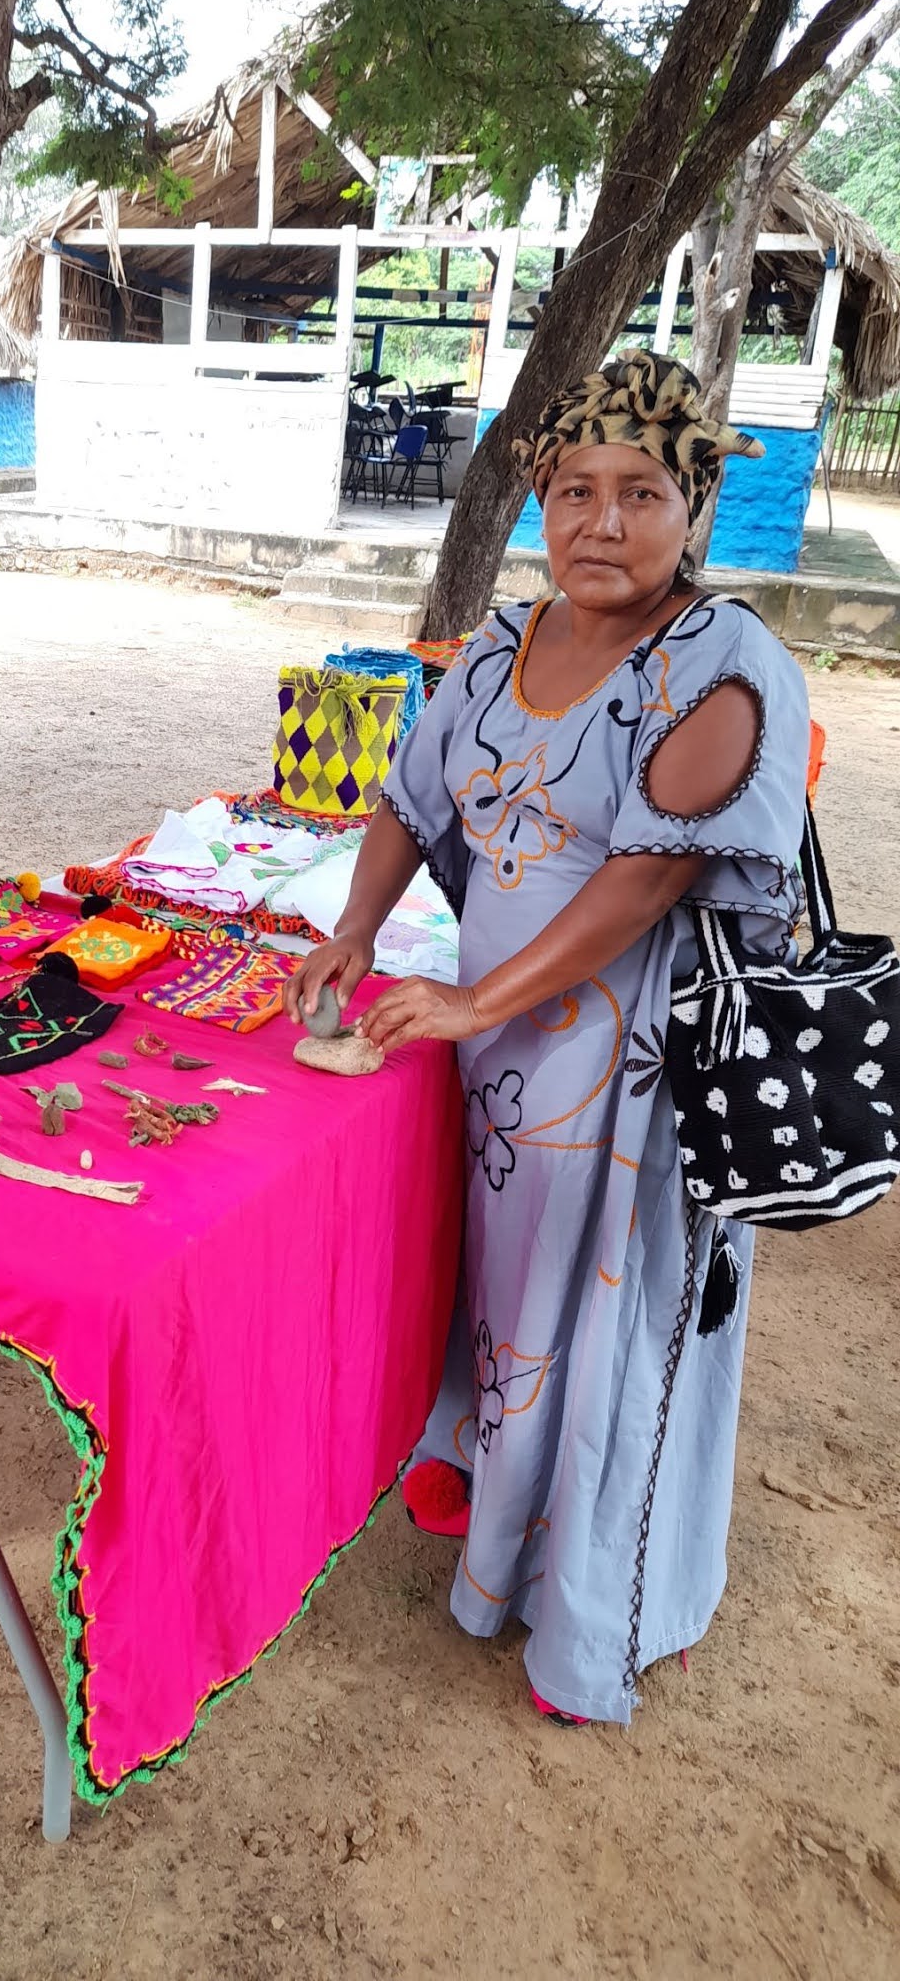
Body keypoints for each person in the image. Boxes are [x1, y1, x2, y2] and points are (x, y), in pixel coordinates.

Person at [286, 351, 810, 1725]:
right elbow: (411, 798)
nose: (603, 521)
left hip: (634, 1072)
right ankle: (494, 1504)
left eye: (642, 491)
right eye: (575, 489)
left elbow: (647, 878)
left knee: (610, 1321)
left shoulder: (720, 662)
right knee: (510, 1298)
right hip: (507, 1057)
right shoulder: (502, 645)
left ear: (693, 506)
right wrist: (357, 928)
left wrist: (474, 1001)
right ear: (539, 499)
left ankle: (596, 1617)